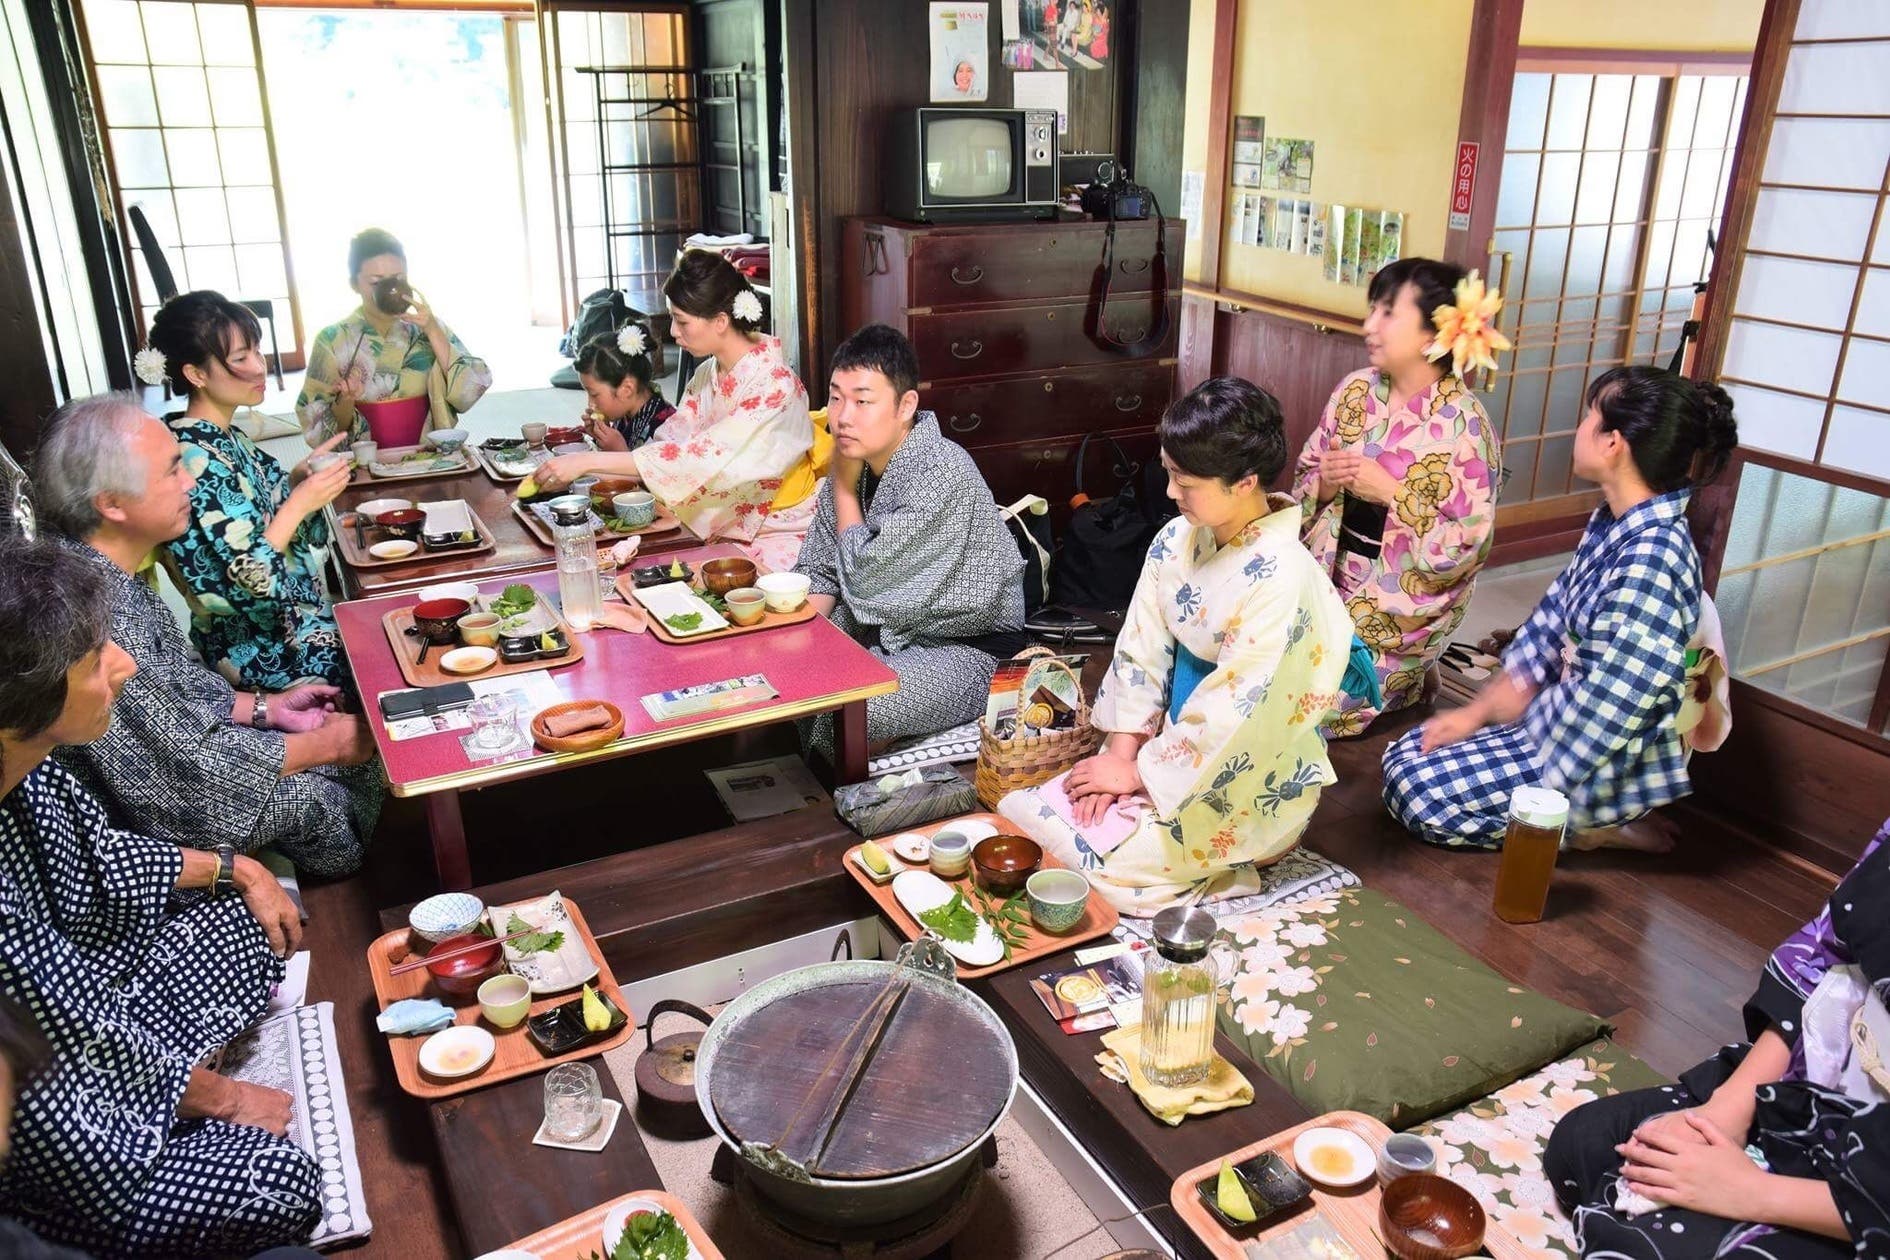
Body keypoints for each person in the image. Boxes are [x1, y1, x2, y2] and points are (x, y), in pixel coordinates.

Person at [0, 536, 319, 1257]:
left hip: (95, 1011)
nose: (125, 666)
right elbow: (70, 1032)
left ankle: (174, 1089)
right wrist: (229, 1099)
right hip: (50, 1117)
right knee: (281, 1182)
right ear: (25, 695)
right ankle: (174, 1114)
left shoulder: (31, 762)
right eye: (94, 661)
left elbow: (106, 856)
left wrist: (236, 869)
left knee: (247, 920)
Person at [997, 378, 1354, 916]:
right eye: (1169, 473)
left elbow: (1236, 714)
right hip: (1166, 748)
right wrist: (1119, 756)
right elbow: (1139, 648)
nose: (1169, 493)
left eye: (1184, 481)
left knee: (1104, 874)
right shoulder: (1174, 539)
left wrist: (1140, 774)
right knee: (1023, 813)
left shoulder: (1283, 576)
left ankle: (1257, 850)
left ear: (1244, 482)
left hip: (1248, 768)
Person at [1381, 366, 1739, 850]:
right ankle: (1567, 816)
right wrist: (1477, 713)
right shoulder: (1615, 522)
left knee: (1419, 794)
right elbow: (1550, 625)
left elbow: (1616, 711)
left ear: (1613, 442)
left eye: (1589, 415)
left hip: (1597, 759)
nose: (1579, 428)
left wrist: (1545, 770)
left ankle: (1592, 827)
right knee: (1405, 754)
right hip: (1558, 723)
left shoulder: (1654, 557)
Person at [36, 394, 382, 878]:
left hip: (200, 759)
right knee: (345, 783)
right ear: (110, 504)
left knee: (353, 728)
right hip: (159, 825)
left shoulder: (108, 574)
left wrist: (269, 707)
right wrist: (327, 747)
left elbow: (184, 687)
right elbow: (190, 772)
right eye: (173, 471)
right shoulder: (95, 614)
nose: (191, 482)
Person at [1543, 822, 1888, 1258]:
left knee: (1637, 1246)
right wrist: (1726, 1111)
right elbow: (1827, 956)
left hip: (1870, 1194)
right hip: (1822, 1092)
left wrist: (1752, 1191)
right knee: (1584, 1143)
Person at [793, 325, 1025, 764]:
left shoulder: (941, 471)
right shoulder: (854, 459)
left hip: (964, 649)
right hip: (882, 631)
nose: (842, 417)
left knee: (851, 706)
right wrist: (798, 641)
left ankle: (865, 762)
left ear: (906, 405)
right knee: (796, 677)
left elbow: (866, 583)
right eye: (836, 397)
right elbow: (822, 568)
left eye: (863, 401)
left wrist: (842, 492)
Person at [1294, 258, 1501, 736]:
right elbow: (1306, 472)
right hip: (1326, 574)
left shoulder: (1465, 426)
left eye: (1388, 314)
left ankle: (1405, 678)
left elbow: (1466, 545)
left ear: (1434, 333)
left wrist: (1390, 493)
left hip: (1397, 607)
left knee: (1306, 710)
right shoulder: (1354, 391)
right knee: (1244, 663)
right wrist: (1326, 482)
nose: (1370, 326)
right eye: (1372, 311)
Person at [533, 250, 822, 572]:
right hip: (724, 514)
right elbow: (670, 445)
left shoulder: (774, 384)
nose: (672, 331)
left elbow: (696, 459)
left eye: (681, 320)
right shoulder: (707, 374)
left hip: (775, 526)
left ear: (721, 322)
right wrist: (586, 470)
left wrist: (587, 461)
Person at [143, 291, 347, 690]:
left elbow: (271, 519)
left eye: (257, 351)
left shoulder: (228, 439)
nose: (259, 367)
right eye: (240, 358)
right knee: (379, 656)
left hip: (292, 622)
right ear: (196, 374)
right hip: (255, 646)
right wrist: (298, 503)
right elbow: (251, 588)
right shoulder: (192, 461)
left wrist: (295, 482)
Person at [295, 227, 491, 446]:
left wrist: (433, 331)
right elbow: (319, 429)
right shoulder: (332, 339)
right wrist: (346, 401)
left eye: (398, 278)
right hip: (363, 461)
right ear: (354, 284)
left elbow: (473, 387)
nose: (390, 288)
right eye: (377, 282)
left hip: (427, 455)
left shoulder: (428, 328)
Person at [573, 324, 675, 452]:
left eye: (594, 394)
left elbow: (663, 471)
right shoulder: (625, 411)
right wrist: (600, 436)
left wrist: (620, 452)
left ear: (627, 389)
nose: (590, 404)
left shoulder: (666, 428)